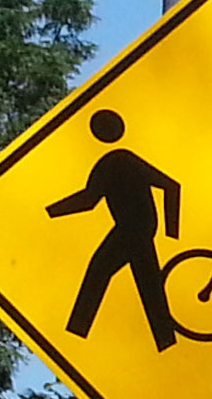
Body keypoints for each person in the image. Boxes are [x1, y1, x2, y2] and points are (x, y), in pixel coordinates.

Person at [43, 109, 182, 349]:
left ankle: (77, 330)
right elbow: (89, 200)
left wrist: (173, 232)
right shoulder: (111, 163)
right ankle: (166, 341)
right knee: (148, 284)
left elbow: (171, 186)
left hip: (134, 229)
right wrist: (50, 212)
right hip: (138, 228)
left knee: (100, 270)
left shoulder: (120, 160)